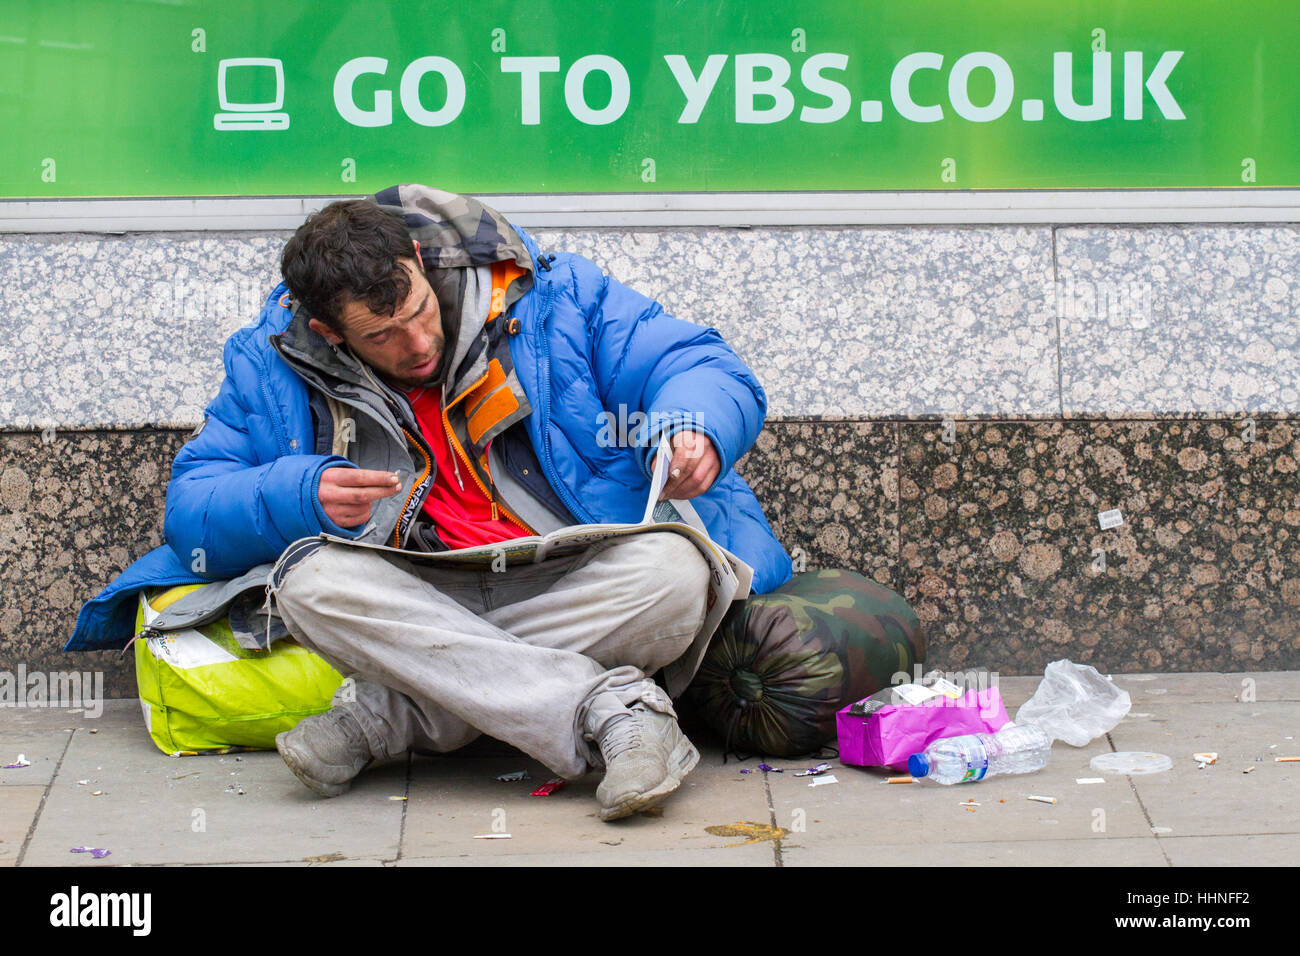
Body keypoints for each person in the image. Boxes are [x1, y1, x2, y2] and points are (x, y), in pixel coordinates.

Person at [68, 185, 790, 821]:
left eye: (418, 310)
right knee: (310, 585)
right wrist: (297, 491)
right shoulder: (269, 360)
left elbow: (692, 362)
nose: (417, 343)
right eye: (382, 336)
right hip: (417, 588)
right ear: (328, 331)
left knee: (676, 573)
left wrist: (694, 427)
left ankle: (394, 718)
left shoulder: (552, 296)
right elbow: (192, 508)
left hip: (574, 565)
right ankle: (613, 708)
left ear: (420, 260)